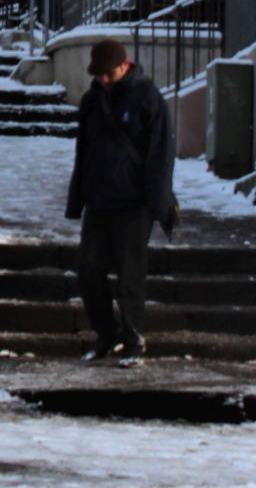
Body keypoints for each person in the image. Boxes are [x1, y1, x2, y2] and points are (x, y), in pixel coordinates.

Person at [66, 38, 176, 366]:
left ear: (124, 66)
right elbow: (83, 152)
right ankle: (106, 334)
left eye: (109, 73)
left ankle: (132, 340)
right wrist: (77, 199)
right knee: (88, 269)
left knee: (130, 275)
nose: (104, 79)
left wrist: (158, 204)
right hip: (99, 201)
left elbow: (160, 155)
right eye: (98, 74)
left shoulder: (148, 98)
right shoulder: (92, 101)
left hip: (134, 203)